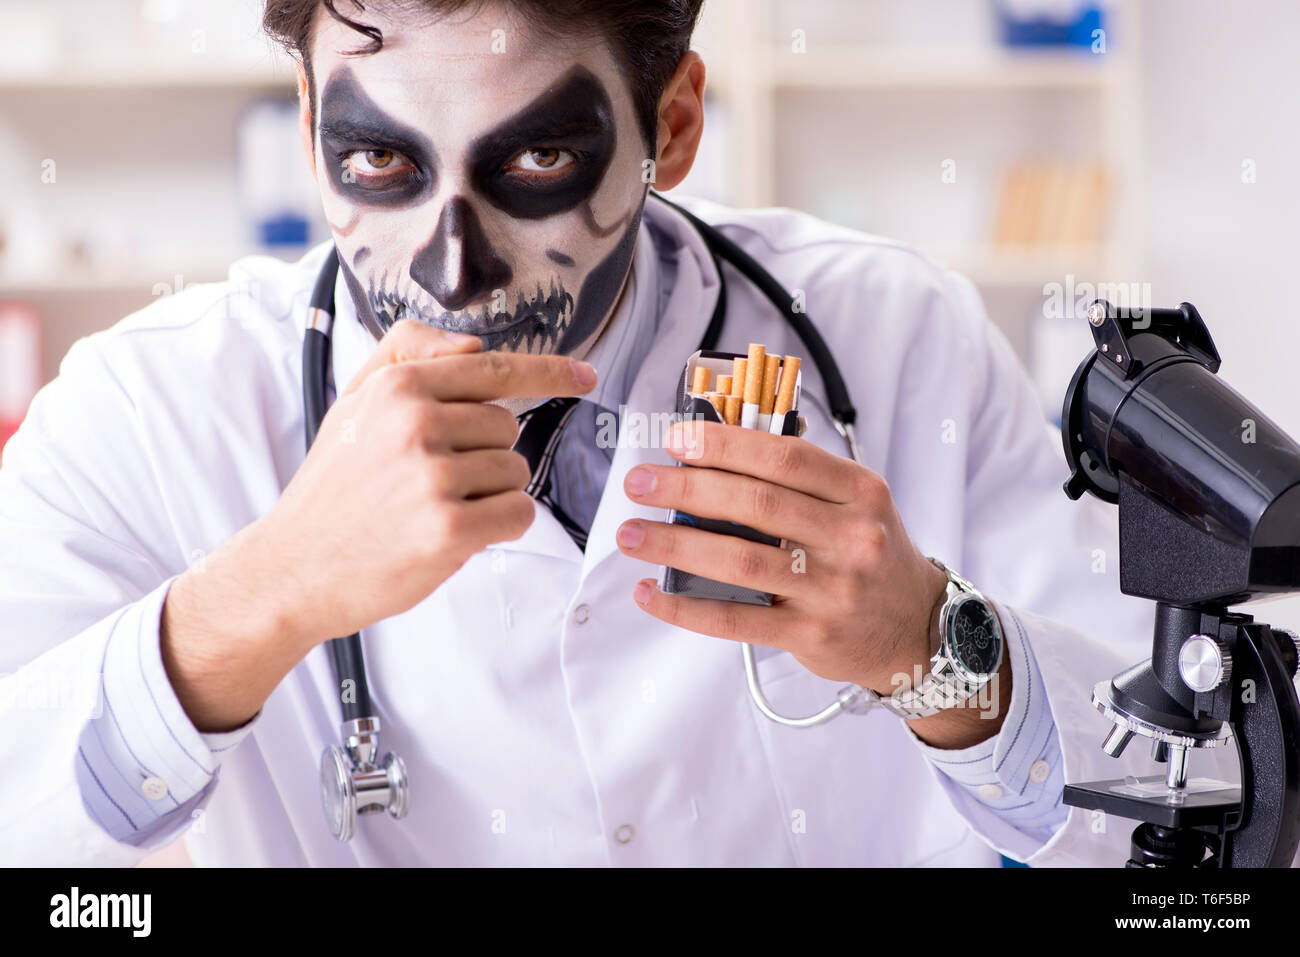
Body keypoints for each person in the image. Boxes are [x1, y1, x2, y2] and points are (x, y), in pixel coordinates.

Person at [0, 0, 1239, 866]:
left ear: (674, 125)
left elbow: (1186, 817)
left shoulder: (894, 333)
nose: (449, 266)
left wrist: (933, 651)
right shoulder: (145, 409)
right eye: (376, 156)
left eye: (538, 155)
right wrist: (250, 603)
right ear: (307, 115)